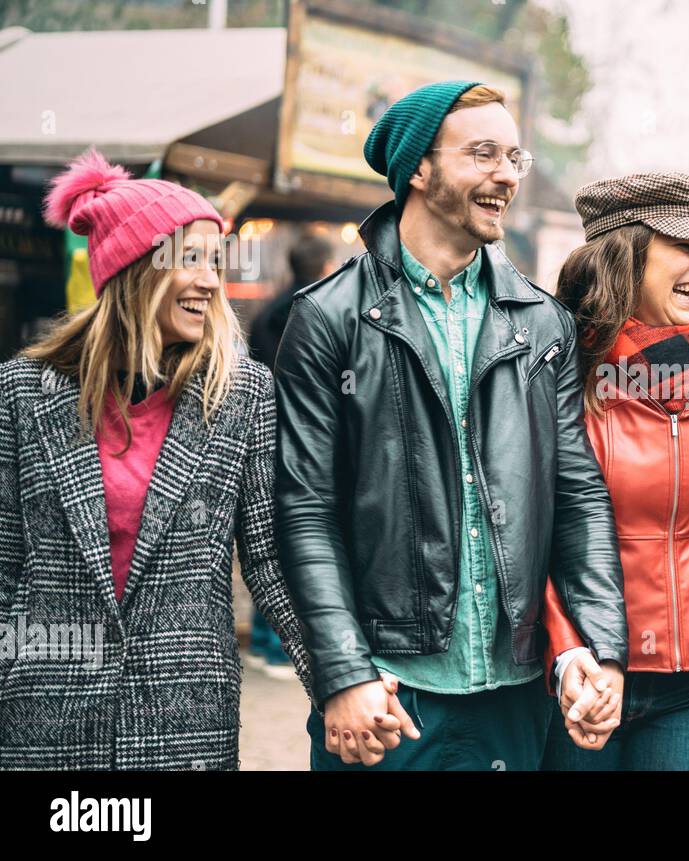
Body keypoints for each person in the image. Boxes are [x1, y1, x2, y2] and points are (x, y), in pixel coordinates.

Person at [273, 81, 627, 770]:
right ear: (418, 169)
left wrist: (601, 646)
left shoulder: (540, 322)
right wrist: (343, 671)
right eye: (483, 154)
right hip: (385, 697)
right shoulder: (328, 318)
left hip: (513, 696)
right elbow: (305, 510)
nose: (506, 175)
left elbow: (578, 496)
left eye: (514, 156)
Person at [0, 148, 313, 769]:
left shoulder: (241, 394)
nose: (209, 280)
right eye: (189, 259)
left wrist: (339, 680)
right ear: (135, 268)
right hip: (45, 717)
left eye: (215, 262)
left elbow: (271, 560)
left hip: (185, 720)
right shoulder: (20, 393)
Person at [539, 172, 689, 769]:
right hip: (582, 670)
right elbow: (526, 537)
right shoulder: (555, 369)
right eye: (685, 248)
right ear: (625, 254)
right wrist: (566, 652)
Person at [244, 231, 339, 678]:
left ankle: (265, 644)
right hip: (300, 440)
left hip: (267, 434)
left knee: (269, 538)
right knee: (291, 544)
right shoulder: (319, 311)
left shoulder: (268, 311)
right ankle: (278, 648)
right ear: (323, 267)